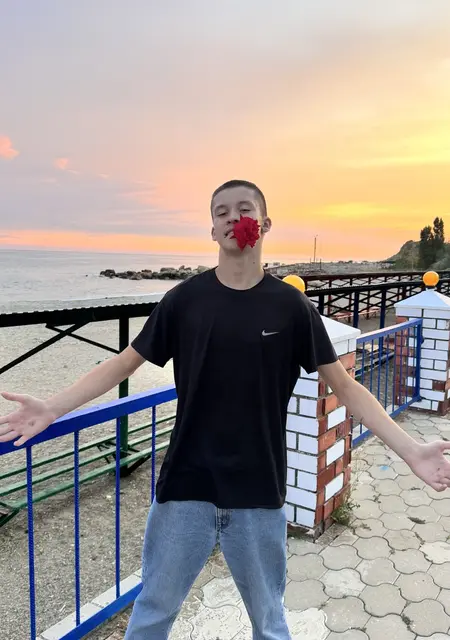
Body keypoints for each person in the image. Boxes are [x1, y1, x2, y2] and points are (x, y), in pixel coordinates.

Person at [1, 179, 450, 640]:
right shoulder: (184, 300)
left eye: (244, 209)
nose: (234, 217)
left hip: (258, 493)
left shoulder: (291, 306)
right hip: (184, 489)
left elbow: (347, 388)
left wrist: (411, 450)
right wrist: (52, 407)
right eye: (222, 212)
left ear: (265, 223)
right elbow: (123, 363)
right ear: (213, 230)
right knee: (152, 615)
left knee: (269, 624)